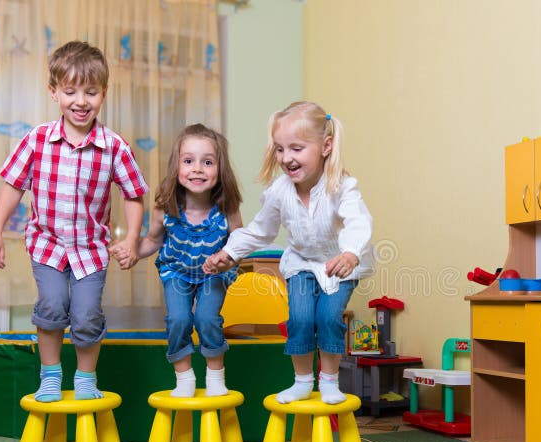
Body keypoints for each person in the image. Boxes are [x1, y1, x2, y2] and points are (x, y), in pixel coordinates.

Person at [0, 41, 149, 402]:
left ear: (104, 93)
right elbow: (12, 187)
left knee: (87, 314)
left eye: (91, 92)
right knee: (52, 305)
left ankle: (86, 379)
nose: (81, 101)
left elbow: (134, 194)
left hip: (90, 249)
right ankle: (51, 377)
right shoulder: (37, 139)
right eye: (70, 91)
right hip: (47, 244)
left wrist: (132, 239)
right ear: (54, 91)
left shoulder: (114, 146)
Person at [204, 101, 374, 405]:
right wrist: (229, 253)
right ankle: (302, 381)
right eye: (280, 149)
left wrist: (350, 253)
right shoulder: (280, 191)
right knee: (300, 318)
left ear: (326, 146)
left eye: (296, 148)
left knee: (328, 317)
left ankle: (330, 381)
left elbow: (358, 221)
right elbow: (260, 230)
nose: (286, 158)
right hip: (301, 263)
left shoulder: (342, 186)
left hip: (340, 264)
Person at [112, 124, 243, 397]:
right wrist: (134, 251)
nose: (197, 169)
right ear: (176, 166)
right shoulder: (166, 205)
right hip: (177, 272)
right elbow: (153, 241)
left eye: (207, 162)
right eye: (188, 161)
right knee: (179, 320)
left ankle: (215, 377)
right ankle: (184, 378)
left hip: (213, 274)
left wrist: (227, 259)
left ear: (220, 169)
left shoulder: (227, 206)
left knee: (207, 318)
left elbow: (239, 242)